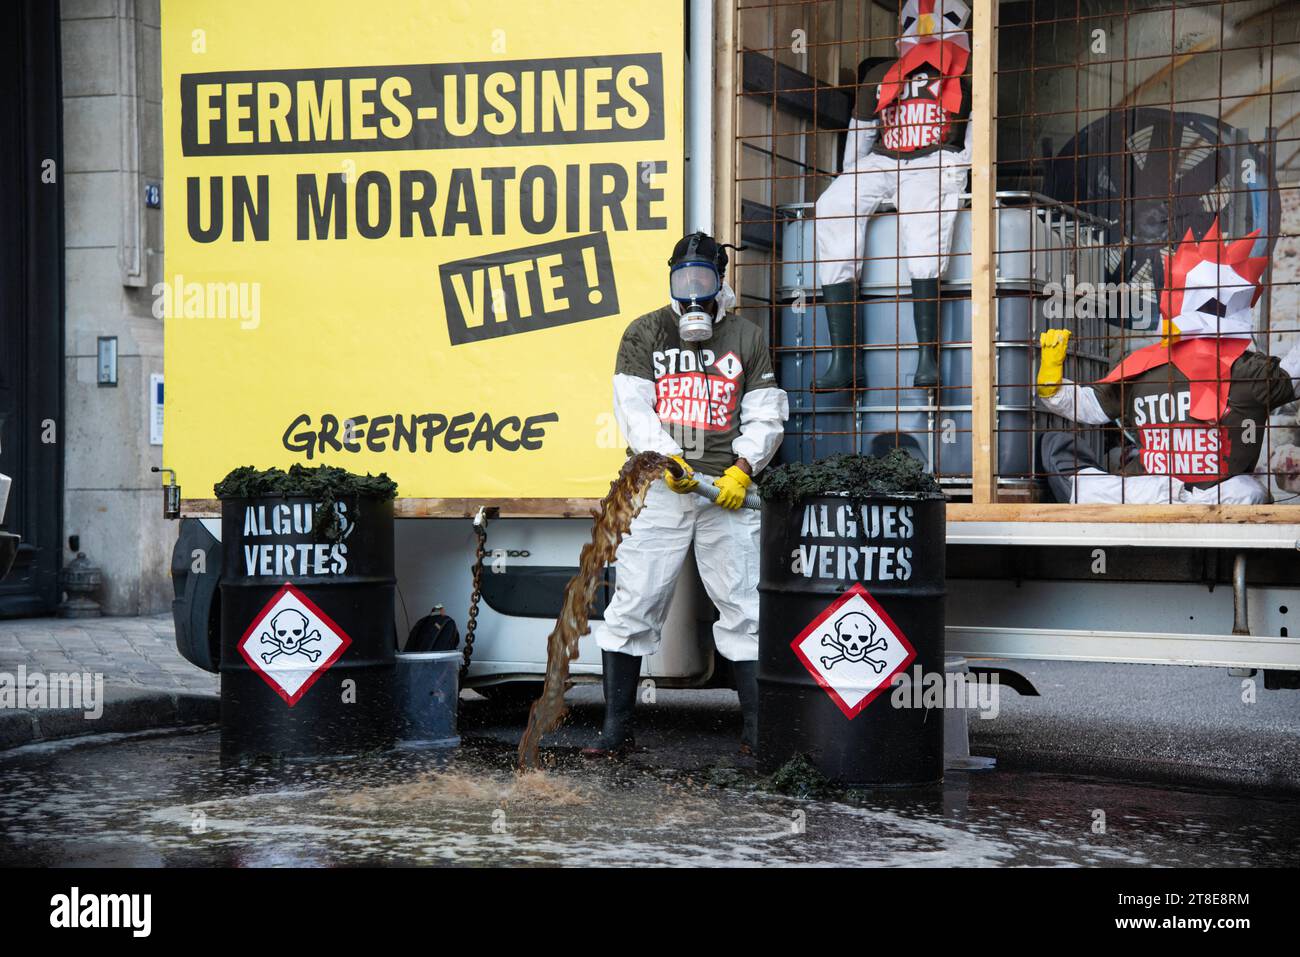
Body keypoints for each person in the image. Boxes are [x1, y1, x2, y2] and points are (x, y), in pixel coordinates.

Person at [584, 231, 789, 757]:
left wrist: (743, 470)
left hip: (727, 495)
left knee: (745, 609)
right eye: (684, 280)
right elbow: (633, 410)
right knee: (634, 603)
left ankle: (757, 737)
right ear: (671, 281)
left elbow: (765, 413)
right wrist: (666, 460)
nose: (693, 292)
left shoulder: (747, 337)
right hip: (658, 491)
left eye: (703, 280)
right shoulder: (645, 332)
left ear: (721, 283)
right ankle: (616, 734)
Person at [1036, 218, 1300, 504]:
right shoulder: (1146, 366)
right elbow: (1294, 376)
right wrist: (1051, 380)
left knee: (1247, 491)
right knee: (1249, 492)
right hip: (1167, 495)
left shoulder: (1147, 364)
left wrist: (1052, 385)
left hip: (1182, 497)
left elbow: (1085, 406)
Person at [813, 0, 972, 390]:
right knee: (831, 206)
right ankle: (844, 359)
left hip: (935, 158)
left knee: (923, 232)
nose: (926, 28)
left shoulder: (971, 73)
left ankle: (926, 357)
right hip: (884, 160)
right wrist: (851, 181)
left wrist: (960, 169)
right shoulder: (882, 74)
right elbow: (861, 134)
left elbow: (979, 132)